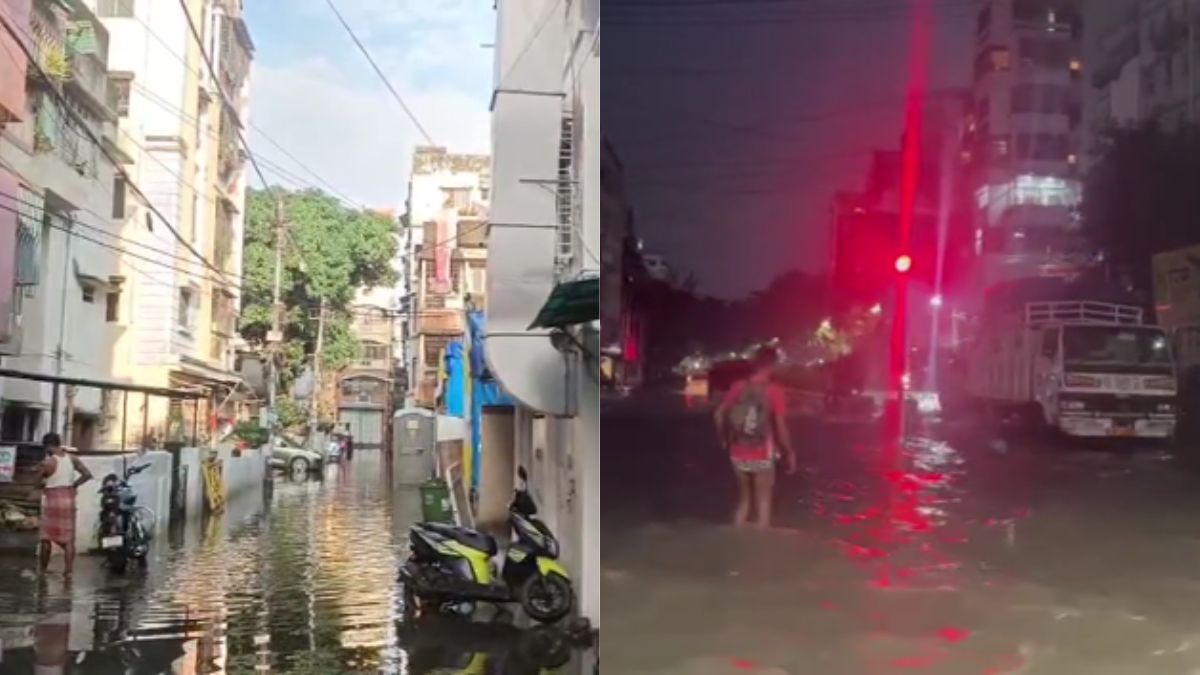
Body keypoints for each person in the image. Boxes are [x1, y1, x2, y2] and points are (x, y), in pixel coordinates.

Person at [714, 346, 796, 528]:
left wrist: (723, 439)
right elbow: (781, 427)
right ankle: (760, 549)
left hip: (737, 450)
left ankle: (735, 539)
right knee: (763, 502)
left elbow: (719, 415)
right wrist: (789, 452)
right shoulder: (775, 391)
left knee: (744, 500)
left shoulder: (738, 386)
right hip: (761, 452)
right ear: (772, 365)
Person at [36, 432, 92, 576]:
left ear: (48, 446)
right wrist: (74, 485)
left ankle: (42, 570)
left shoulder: (48, 462)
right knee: (68, 540)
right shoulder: (72, 459)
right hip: (68, 499)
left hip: (52, 500)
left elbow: (37, 481)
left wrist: (40, 477)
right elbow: (87, 474)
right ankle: (68, 571)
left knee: (46, 538)